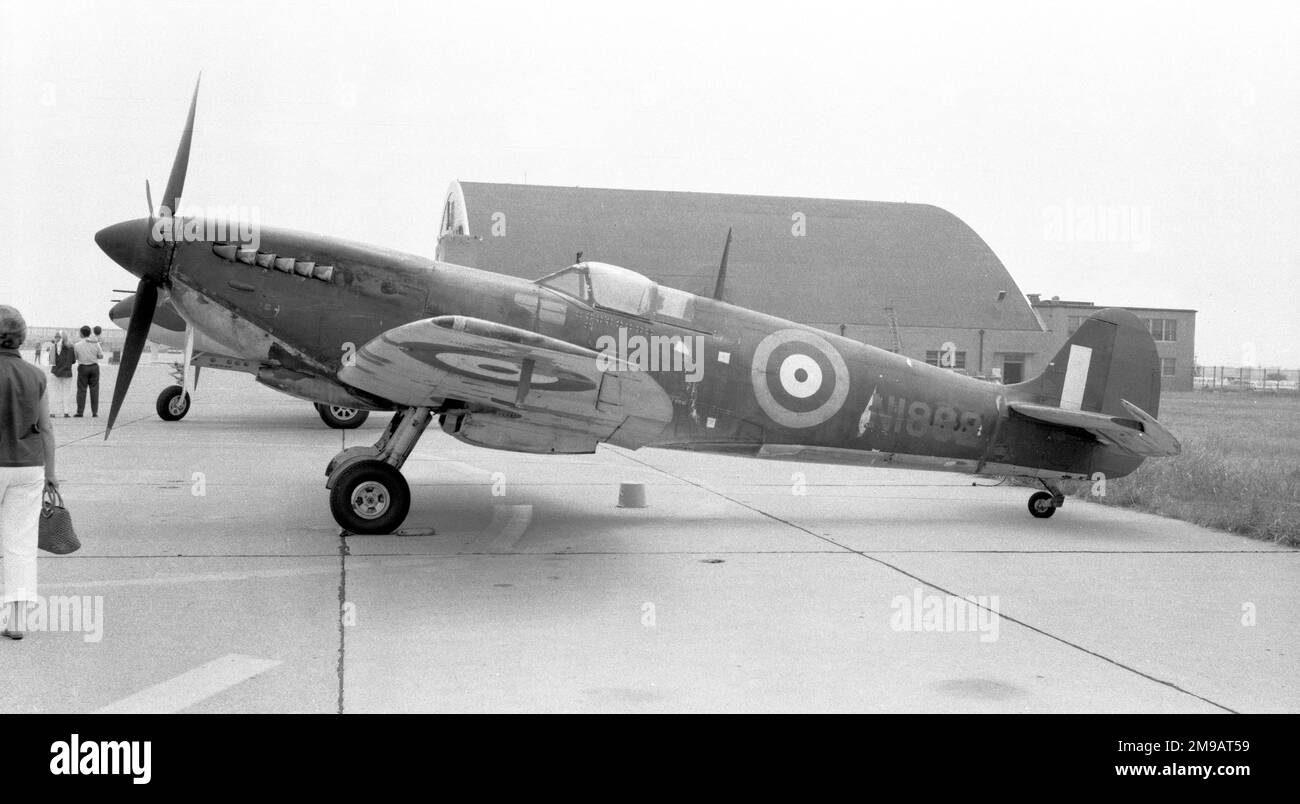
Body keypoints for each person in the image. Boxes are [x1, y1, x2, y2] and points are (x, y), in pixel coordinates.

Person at [0, 305, 57, 639]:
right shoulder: (37, 375)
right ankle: (17, 621)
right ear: (21, 337)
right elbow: (46, 428)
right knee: (20, 546)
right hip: (28, 466)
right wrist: (51, 473)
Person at [73, 325, 103, 417]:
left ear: (81, 333)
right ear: (90, 333)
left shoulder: (77, 345)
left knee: (81, 390)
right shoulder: (95, 343)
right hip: (94, 367)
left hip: (83, 368)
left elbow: (75, 358)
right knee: (94, 390)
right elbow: (101, 356)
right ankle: (94, 412)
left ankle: (80, 412)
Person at [48, 331, 74, 417]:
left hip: (56, 372)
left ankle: (52, 412)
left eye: (56, 337)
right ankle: (66, 412)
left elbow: (51, 361)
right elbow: (73, 361)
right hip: (67, 373)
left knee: (54, 392)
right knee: (66, 392)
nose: (55, 338)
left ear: (58, 338)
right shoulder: (71, 347)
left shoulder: (54, 347)